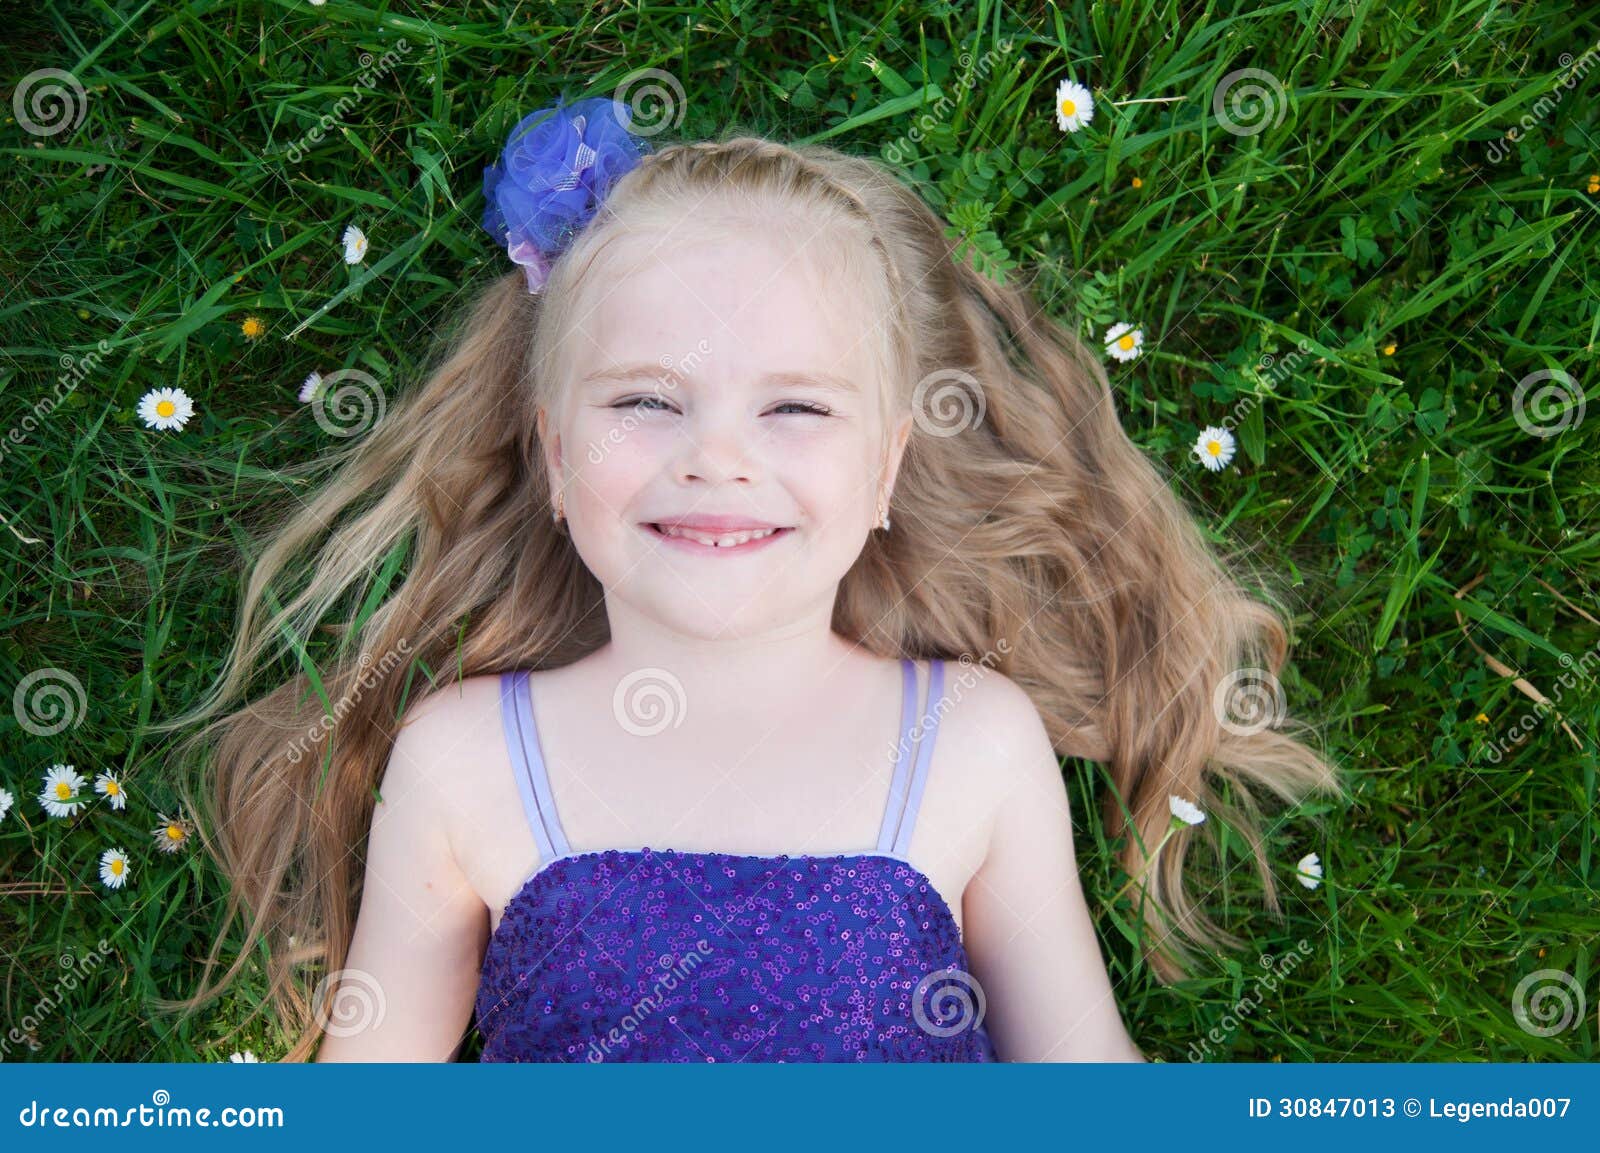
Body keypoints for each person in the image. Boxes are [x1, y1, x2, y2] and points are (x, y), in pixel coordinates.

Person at [158, 94, 1341, 1062]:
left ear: (885, 469)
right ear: (556, 459)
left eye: (794, 409)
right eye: (645, 400)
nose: (715, 457)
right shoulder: (466, 759)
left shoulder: (969, 740)